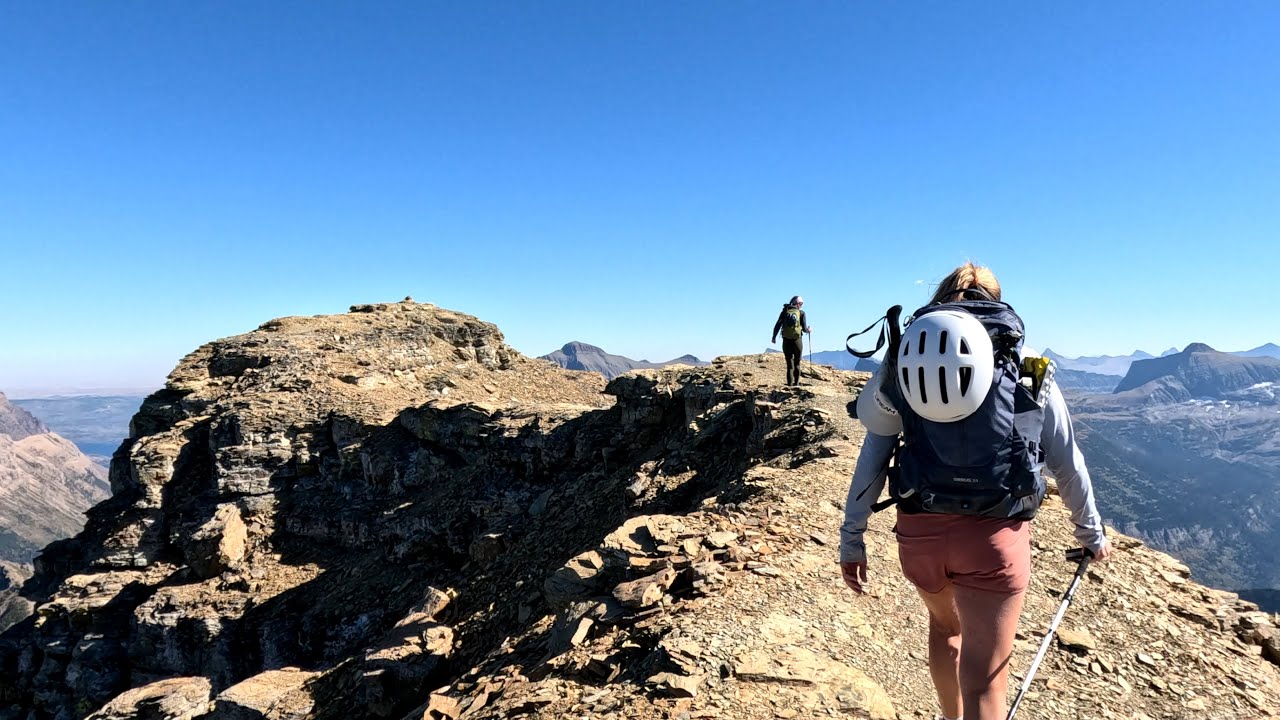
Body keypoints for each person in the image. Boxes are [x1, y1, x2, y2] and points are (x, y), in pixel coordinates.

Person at [839, 262, 1112, 720]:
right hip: (993, 541)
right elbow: (1068, 463)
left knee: (944, 627)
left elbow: (873, 459)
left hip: (920, 536)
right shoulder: (1026, 369)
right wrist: (1091, 534)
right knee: (986, 684)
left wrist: (853, 537)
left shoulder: (906, 366)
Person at [771, 295, 811, 386]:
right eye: (801, 303)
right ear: (797, 303)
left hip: (786, 341)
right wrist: (809, 330)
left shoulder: (785, 312)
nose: (801, 305)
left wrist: (774, 337)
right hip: (797, 340)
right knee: (797, 363)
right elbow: (804, 329)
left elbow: (777, 325)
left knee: (789, 365)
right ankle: (796, 384)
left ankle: (789, 385)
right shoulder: (801, 313)